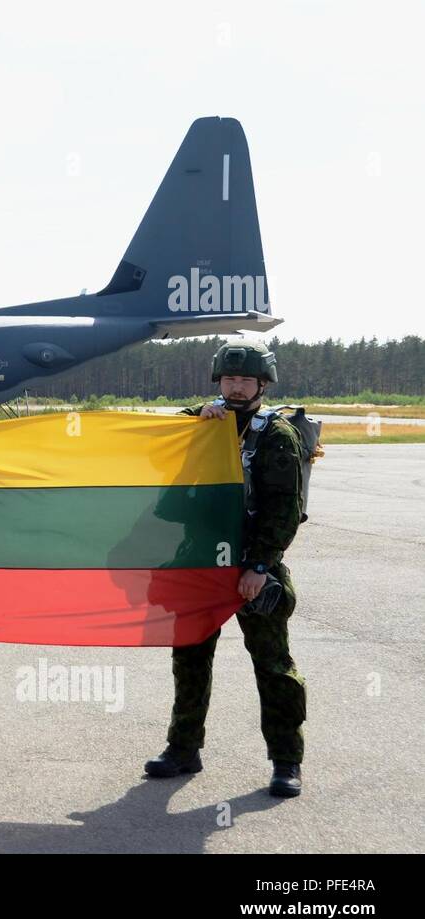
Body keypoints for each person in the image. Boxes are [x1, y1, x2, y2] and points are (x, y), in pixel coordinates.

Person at [145, 338, 306, 798]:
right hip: (198, 562)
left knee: (273, 665)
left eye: (245, 380)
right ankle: (183, 749)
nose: (236, 388)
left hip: (253, 566)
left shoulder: (276, 434)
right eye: (229, 379)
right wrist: (196, 419)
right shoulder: (200, 420)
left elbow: (284, 510)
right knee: (190, 658)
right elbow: (156, 443)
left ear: (262, 384)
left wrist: (259, 565)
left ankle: (286, 760)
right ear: (220, 382)